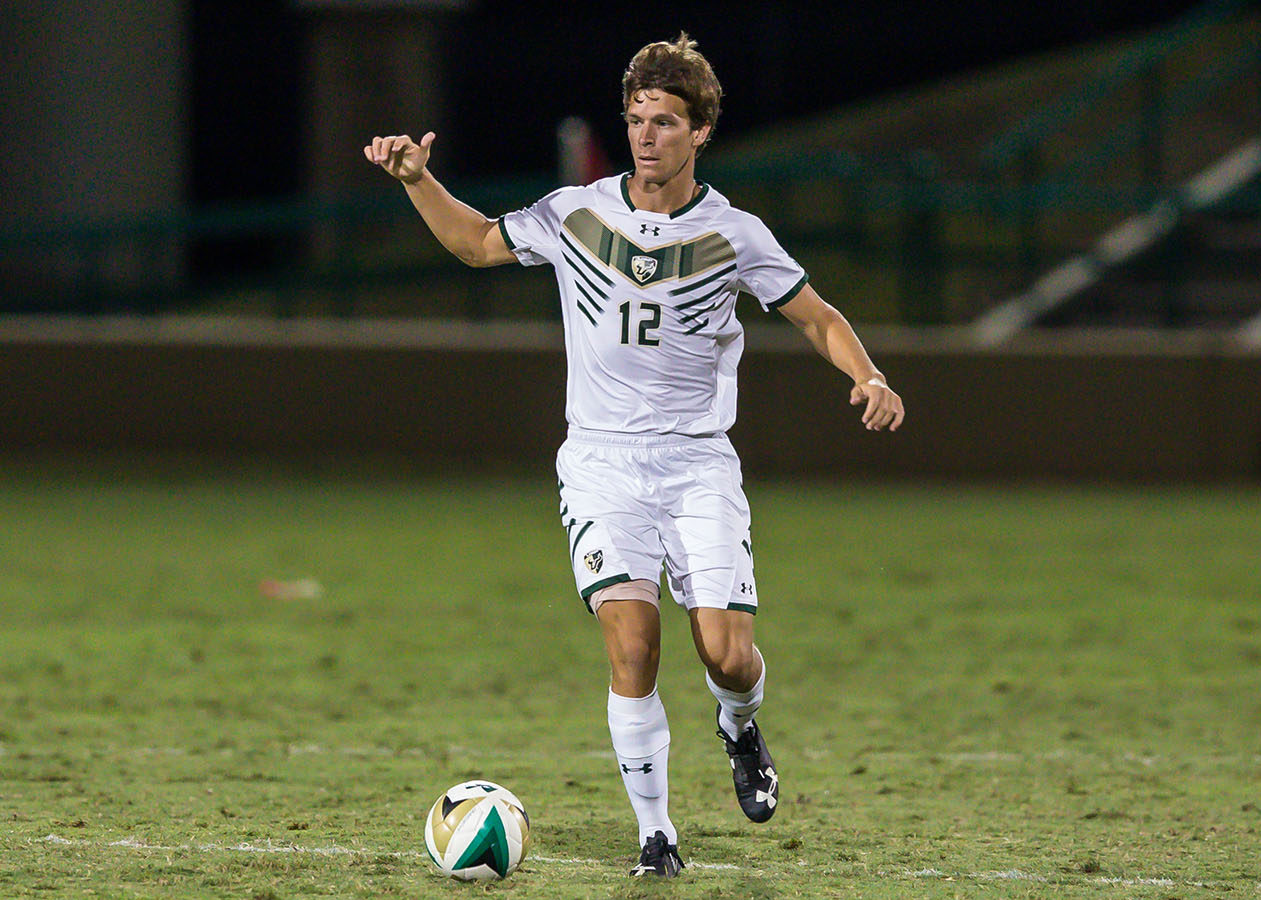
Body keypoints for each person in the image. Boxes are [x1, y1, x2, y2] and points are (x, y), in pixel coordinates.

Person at [365, 33, 905, 875]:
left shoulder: (735, 233)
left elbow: (818, 316)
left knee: (727, 655)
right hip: (601, 463)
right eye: (637, 119)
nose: (646, 136)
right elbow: (475, 242)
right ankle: (657, 835)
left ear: (701, 132)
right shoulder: (575, 212)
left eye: (665, 121)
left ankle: (739, 725)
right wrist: (417, 180)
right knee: (633, 644)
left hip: (697, 464)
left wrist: (868, 375)